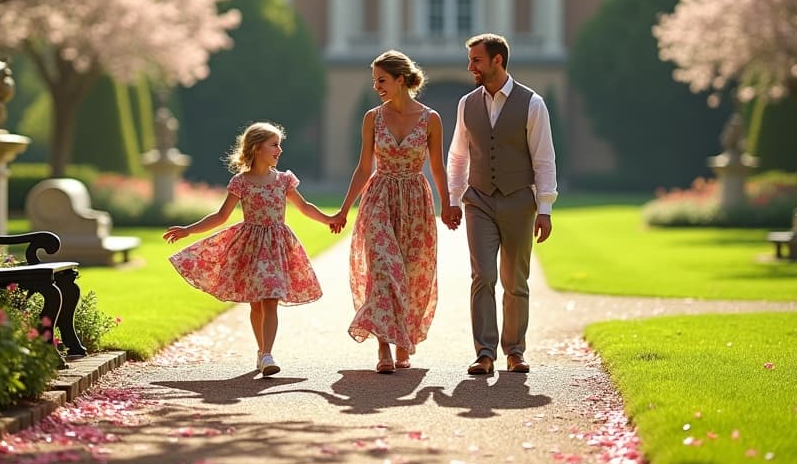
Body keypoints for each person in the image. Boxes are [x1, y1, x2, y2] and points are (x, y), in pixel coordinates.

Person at [164, 121, 335, 376]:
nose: (279, 150)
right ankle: (261, 351)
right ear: (257, 148)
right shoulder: (241, 182)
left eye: (280, 145)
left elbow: (306, 207)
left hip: (277, 245)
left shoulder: (284, 180)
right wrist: (188, 229)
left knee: (270, 300)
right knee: (256, 304)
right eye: (274, 145)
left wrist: (330, 219)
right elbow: (221, 216)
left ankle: (267, 354)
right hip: (250, 247)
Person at [331, 50, 458, 374]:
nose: (376, 86)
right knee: (383, 271)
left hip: (416, 201)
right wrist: (344, 209)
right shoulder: (372, 117)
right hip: (379, 199)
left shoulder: (431, 119)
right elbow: (363, 168)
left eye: (382, 80)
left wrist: (447, 205)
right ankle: (384, 347)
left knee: (414, 273)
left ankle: (404, 341)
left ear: (401, 80)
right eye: (375, 81)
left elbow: (438, 168)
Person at [445, 33, 558, 376]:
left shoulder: (533, 103)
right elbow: (458, 156)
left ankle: (515, 351)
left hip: (519, 201)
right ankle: (484, 352)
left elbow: (544, 159)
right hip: (478, 199)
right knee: (483, 276)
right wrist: (452, 199)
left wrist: (545, 208)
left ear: (497, 60)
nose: (470, 67)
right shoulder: (467, 104)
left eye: (476, 60)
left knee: (515, 280)